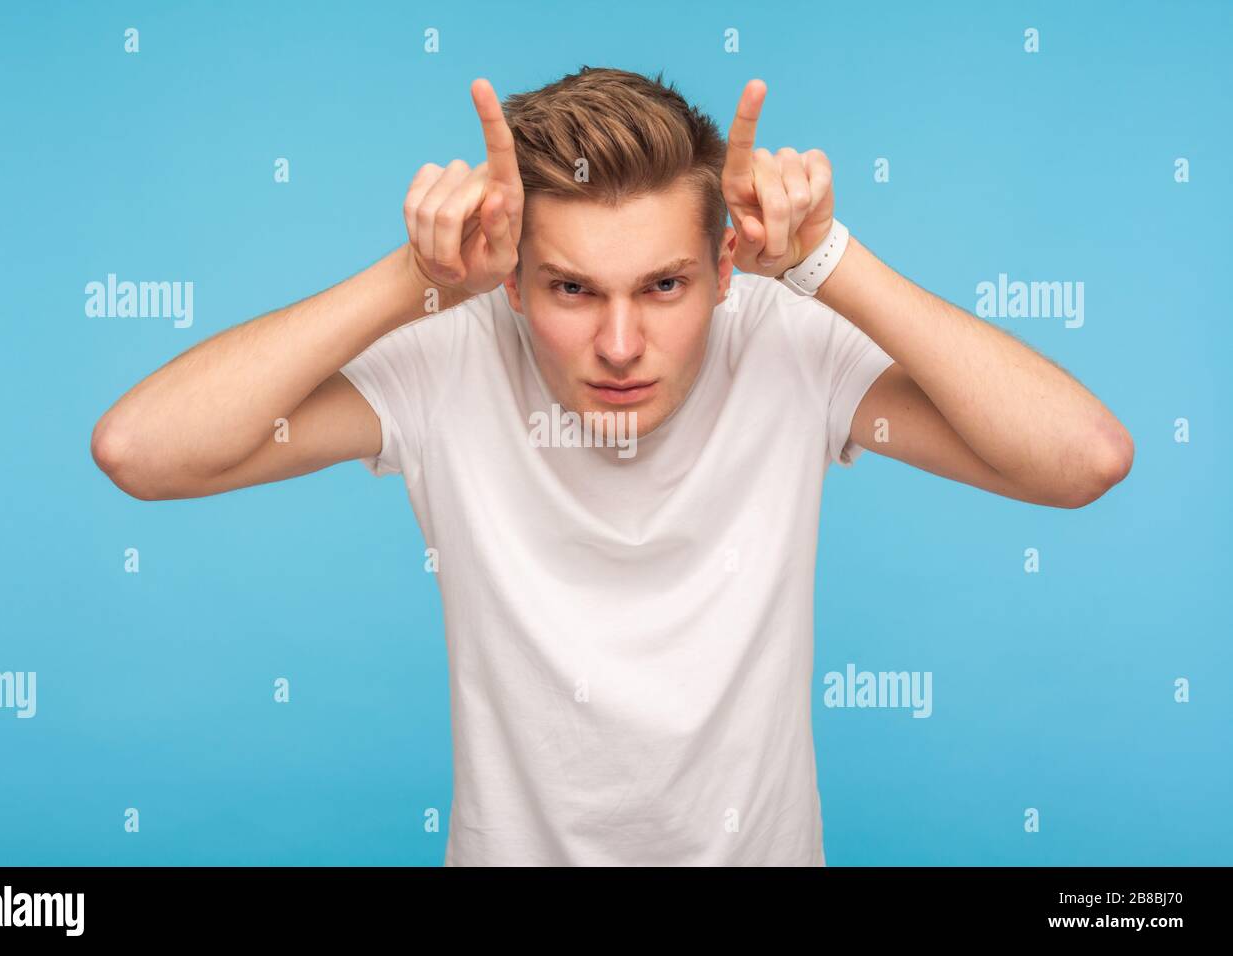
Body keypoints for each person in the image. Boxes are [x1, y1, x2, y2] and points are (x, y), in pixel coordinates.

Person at [91, 66, 1133, 866]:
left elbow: (1081, 458)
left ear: (727, 268)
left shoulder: (785, 339)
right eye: (573, 290)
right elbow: (142, 450)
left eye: (666, 285)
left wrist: (829, 263)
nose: (623, 343)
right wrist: (409, 280)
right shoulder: (446, 352)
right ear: (508, 282)